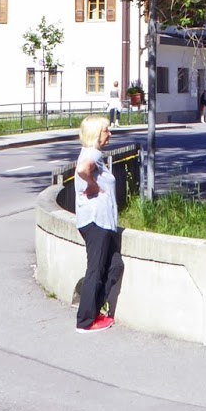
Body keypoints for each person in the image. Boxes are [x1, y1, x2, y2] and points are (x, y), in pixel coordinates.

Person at [73, 114, 122, 332]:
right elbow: (84, 169)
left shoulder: (91, 152)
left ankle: (95, 311)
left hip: (99, 222)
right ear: (95, 133)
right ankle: (85, 321)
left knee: (115, 266)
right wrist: (92, 185)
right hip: (96, 222)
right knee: (95, 270)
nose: (109, 134)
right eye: (106, 130)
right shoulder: (92, 153)